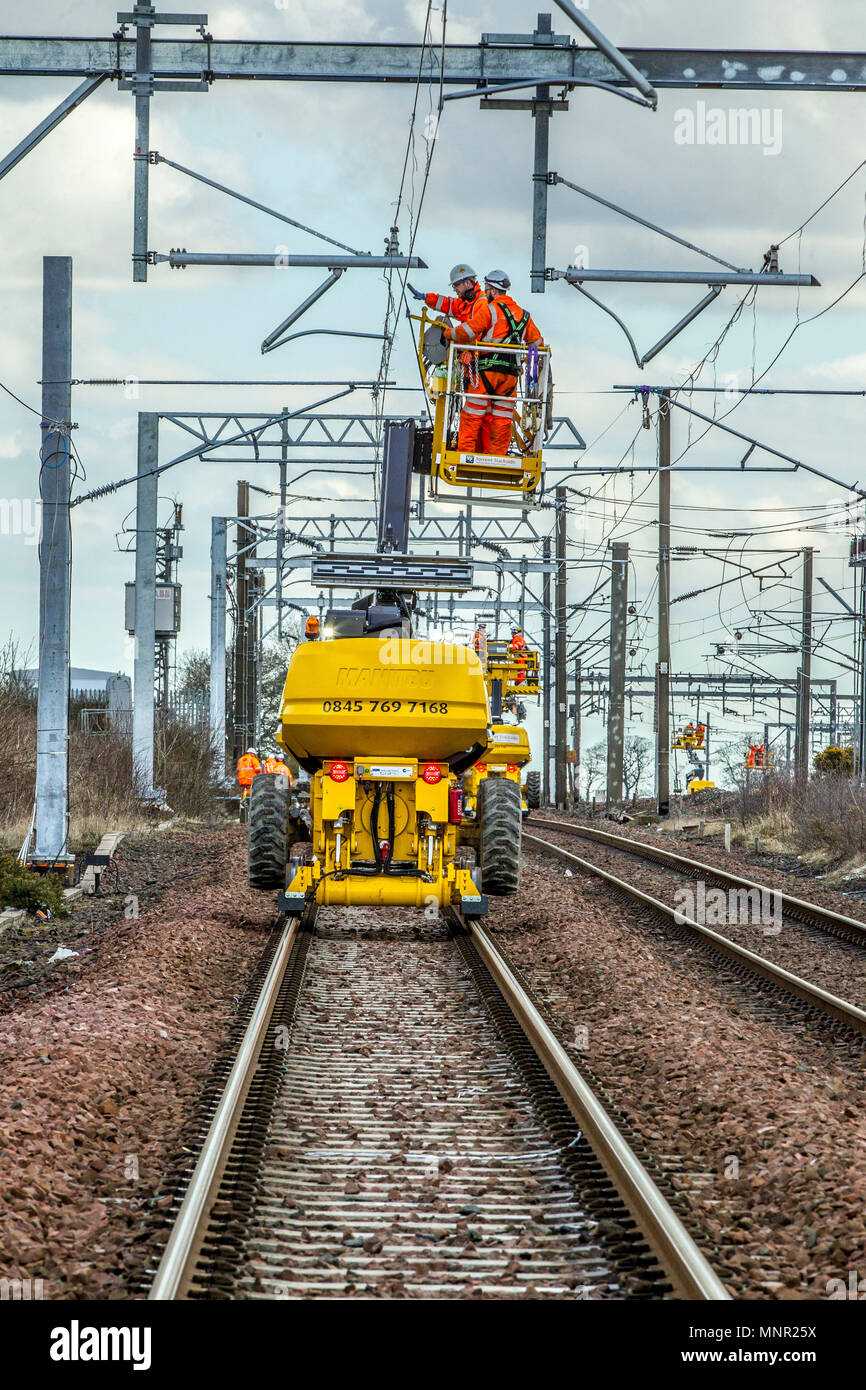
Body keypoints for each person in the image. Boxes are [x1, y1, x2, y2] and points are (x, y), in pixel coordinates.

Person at [443, 270, 544, 455]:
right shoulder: (524, 315)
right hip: (511, 377)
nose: (486, 292)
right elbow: (537, 344)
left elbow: (469, 330)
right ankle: (497, 456)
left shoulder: (490, 310)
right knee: (503, 418)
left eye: (487, 289)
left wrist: (448, 334)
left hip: (486, 373)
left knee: (472, 415)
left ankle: (465, 453)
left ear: (493, 291)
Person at [408, 264, 493, 450]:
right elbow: (449, 305)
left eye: (456, 285)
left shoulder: (480, 303)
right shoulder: (467, 303)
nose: (455, 289)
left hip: (482, 363)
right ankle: (478, 448)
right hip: (475, 363)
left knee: (480, 412)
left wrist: (470, 351)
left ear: (468, 283)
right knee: (476, 410)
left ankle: (480, 450)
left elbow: (478, 330)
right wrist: (426, 298)